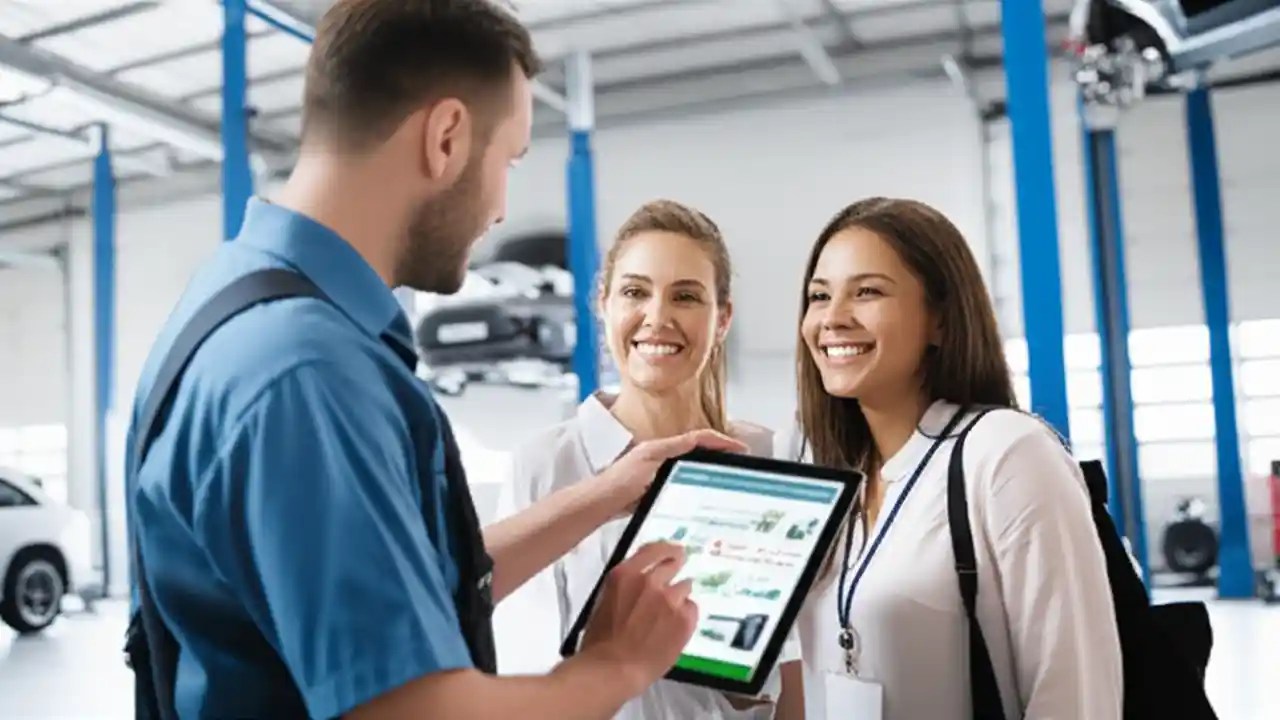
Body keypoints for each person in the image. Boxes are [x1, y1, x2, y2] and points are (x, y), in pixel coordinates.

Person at [123, 2, 747, 719]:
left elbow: (412, 584)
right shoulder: (308, 372)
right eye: (508, 161)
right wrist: (616, 662)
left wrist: (612, 489)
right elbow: (413, 709)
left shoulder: (237, 300)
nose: (502, 209)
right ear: (446, 137)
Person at [787, 197, 1123, 719]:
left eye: (868, 291)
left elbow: (1076, 696)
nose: (831, 319)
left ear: (940, 320)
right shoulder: (825, 472)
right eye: (819, 295)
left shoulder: (1007, 454)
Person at [505, 200, 805, 720]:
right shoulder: (546, 464)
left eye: (686, 296)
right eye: (634, 292)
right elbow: (518, 662)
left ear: (723, 318)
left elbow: (796, 673)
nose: (658, 317)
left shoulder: (770, 456)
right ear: (603, 304)